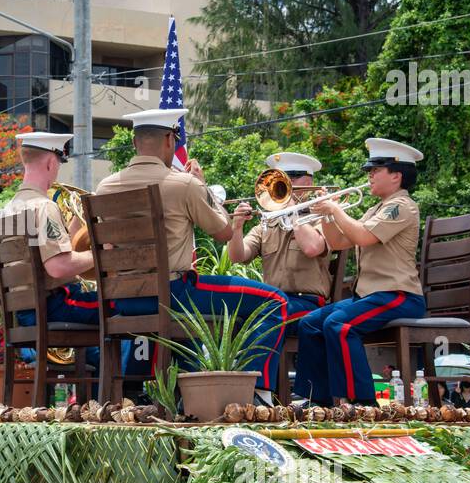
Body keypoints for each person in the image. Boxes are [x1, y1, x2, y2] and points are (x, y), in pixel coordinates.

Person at [93, 108, 288, 405]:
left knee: (195, 318)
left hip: (124, 300)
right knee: (275, 301)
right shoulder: (183, 184)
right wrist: (203, 185)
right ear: (170, 140)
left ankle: (184, 400)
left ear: (135, 143)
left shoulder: (104, 187)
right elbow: (224, 233)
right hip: (173, 294)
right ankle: (257, 393)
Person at [293, 139, 428, 407]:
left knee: (339, 325)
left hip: (399, 294)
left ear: (397, 175)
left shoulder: (402, 205)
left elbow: (363, 236)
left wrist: (335, 209)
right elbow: (340, 242)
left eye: (376, 170)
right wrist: (327, 215)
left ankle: (363, 401)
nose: (370, 175)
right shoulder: (375, 209)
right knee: (309, 323)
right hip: (372, 295)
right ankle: (318, 399)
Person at [0, 133, 98, 325]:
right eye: (59, 163)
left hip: (24, 310)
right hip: (54, 305)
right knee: (120, 306)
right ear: (51, 162)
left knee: (94, 350)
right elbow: (58, 267)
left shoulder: (8, 209)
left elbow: (39, 255)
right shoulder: (43, 207)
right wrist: (98, 254)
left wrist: (75, 226)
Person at [227, 151, 331, 321]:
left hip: (306, 302)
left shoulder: (323, 217)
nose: (280, 187)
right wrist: (237, 227)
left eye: (289, 178)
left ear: (308, 182)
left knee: (269, 314)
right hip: (273, 300)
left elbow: (312, 248)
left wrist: (291, 209)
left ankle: (260, 349)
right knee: (235, 311)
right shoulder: (268, 223)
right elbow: (237, 256)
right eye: (277, 180)